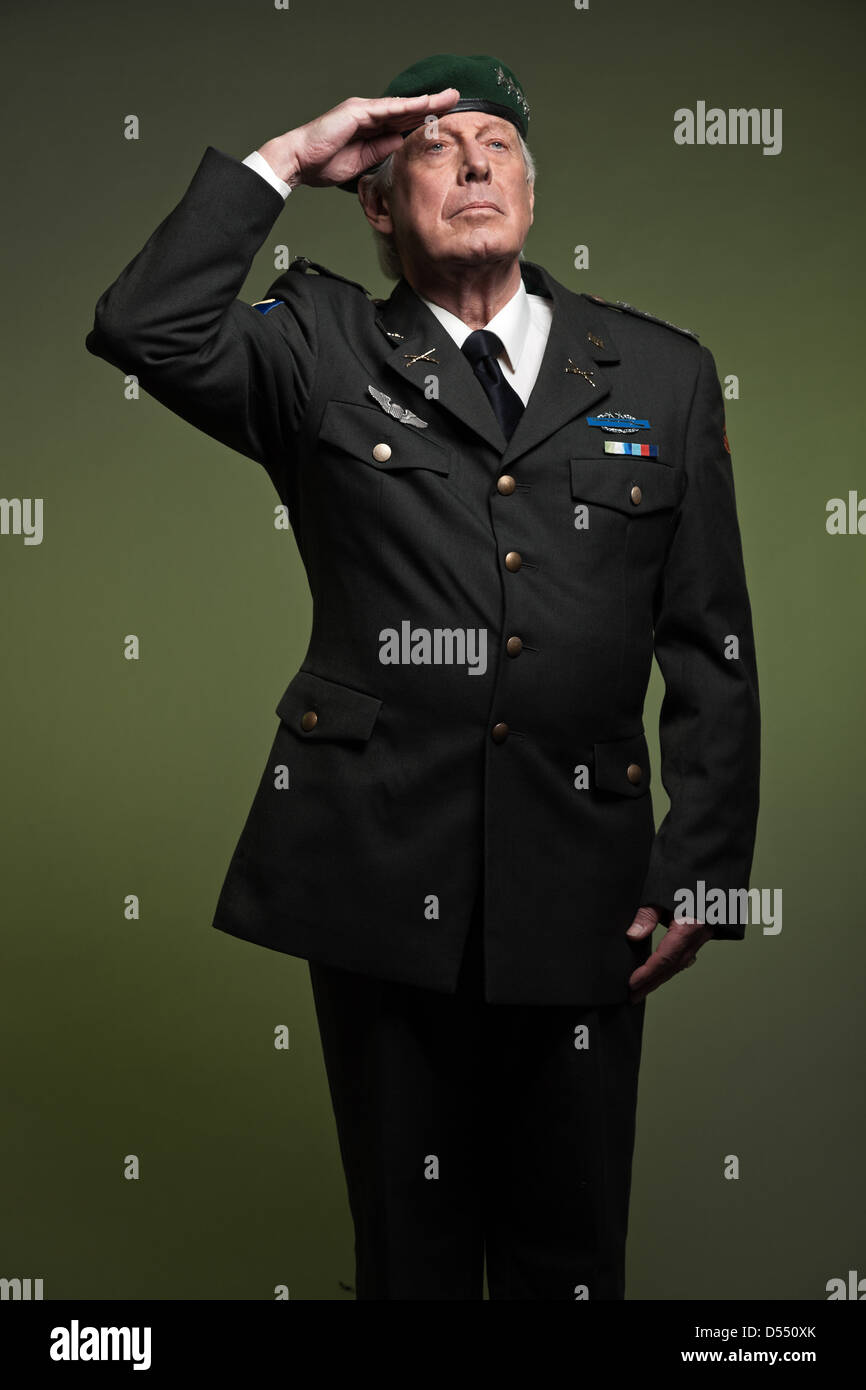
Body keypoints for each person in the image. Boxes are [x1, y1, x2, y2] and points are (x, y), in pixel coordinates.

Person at [85, 53, 760, 1300]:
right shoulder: (315, 344)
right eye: (433, 151)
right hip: (376, 864)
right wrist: (289, 156)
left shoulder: (659, 373)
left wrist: (705, 869)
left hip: (582, 874)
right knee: (412, 1253)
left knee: (569, 1256)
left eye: (496, 144)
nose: (470, 162)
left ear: (531, 193)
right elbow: (145, 326)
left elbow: (708, 635)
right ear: (380, 203)